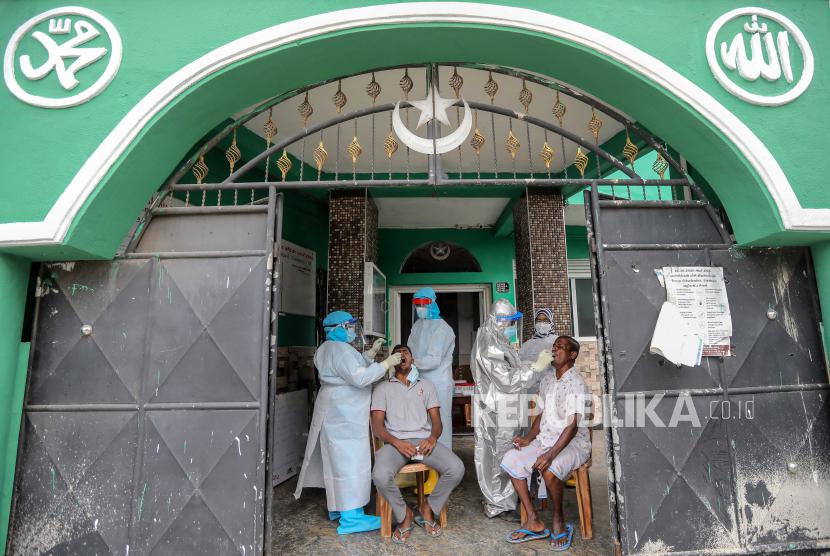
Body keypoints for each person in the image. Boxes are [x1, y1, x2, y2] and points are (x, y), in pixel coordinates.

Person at [294, 310, 402, 535]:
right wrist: (385, 364)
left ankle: (339, 507)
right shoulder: (339, 350)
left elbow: (352, 369)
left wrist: (371, 354)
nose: (354, 330)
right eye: (350, 326)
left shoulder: (328, 348)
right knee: (350, 462)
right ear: (339, 328)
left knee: (337, 461)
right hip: (343, 413)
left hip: (337, 409)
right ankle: (352, 518)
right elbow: (359, 377)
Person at [500, 336, 592, 551]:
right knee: (511, 459)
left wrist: (550, 455)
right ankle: (533, 519)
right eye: (554, 346)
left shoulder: (576, 383)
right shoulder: (548, 379)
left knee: (550, 467)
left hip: (574, 443)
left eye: (561, 347)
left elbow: (572, 427)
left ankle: (558, 519)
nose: (555, 349)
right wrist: (529, 438)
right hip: (546, 439)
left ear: (572, 355)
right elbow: (542, 414)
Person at [371, 345, 465, 544]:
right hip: (395, 445)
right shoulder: (382, 388)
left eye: (406, 352)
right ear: (393, 360)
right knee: (380, 475)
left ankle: (428, 508)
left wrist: (432, 439)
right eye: (398, 352)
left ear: (412, 360)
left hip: (423, 443)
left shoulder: (427, 386)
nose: (403, 355)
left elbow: (437, 423)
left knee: (456, 468)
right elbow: (377, 427)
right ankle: (405, 514)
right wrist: (396, 442)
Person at [471, 298, 553, 518]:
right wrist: (535, 368)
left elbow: (511, 367)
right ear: (499, 319)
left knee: (507, 450)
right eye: (508, 321)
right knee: (499, 454)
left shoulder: (497, 338)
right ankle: (499, 505)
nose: (511, 326)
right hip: (498, 409)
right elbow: (505, 378)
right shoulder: (488, 341)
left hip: (507, 407)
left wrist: (528, 367)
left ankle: (508, 499)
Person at [406, 287, 456, 449]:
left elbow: (433, 360)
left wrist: (412, 363)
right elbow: (409, 350)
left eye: (423, 304)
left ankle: (443, 460)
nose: (420, 309)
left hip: (438, 384)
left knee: (439, 422)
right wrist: (408, 362)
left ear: (432, 304)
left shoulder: (442, 329)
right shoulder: (417, 326)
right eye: (417, 305)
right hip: (418, 381)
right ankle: (423, 461)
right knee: (421, 421)